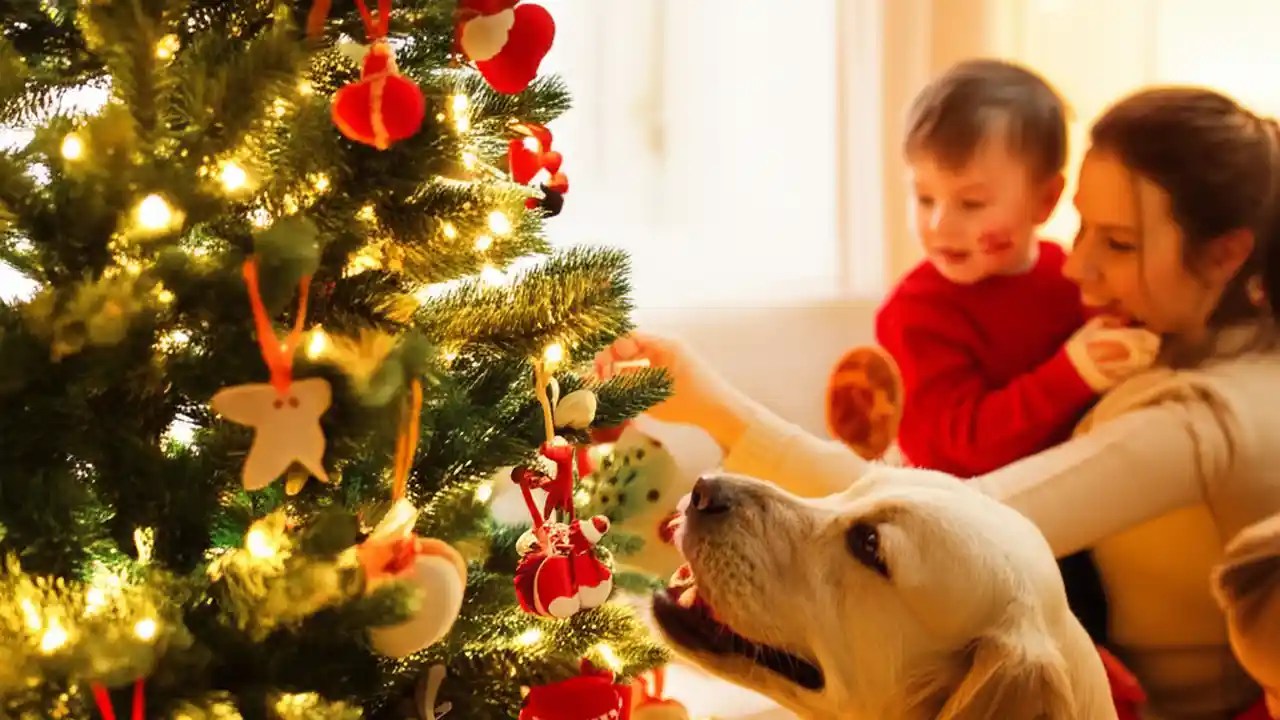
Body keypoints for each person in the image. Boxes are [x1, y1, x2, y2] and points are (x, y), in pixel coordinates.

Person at [597, 86, 1280, 718]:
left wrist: (716, 407)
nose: (1075, 268)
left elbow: (965, 527)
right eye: (1081, 230)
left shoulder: (1197, 419)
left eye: (1119, 242)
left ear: (1225, 256)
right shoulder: (1185, 350)